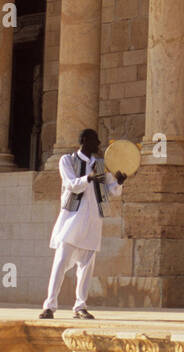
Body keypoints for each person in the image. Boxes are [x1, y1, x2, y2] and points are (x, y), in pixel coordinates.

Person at [40, 127, 126, 320]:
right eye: (96, 140)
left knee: (86, 267)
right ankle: (50, 305)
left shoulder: (101, 165)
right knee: (60, 263)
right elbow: (71, 184)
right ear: (85, 140)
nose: (99, 144)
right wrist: (89, 177)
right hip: (72, 221)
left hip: (93, 221)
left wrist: (119, 182)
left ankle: (80, 306)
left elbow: (111, 191)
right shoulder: (67, 160)